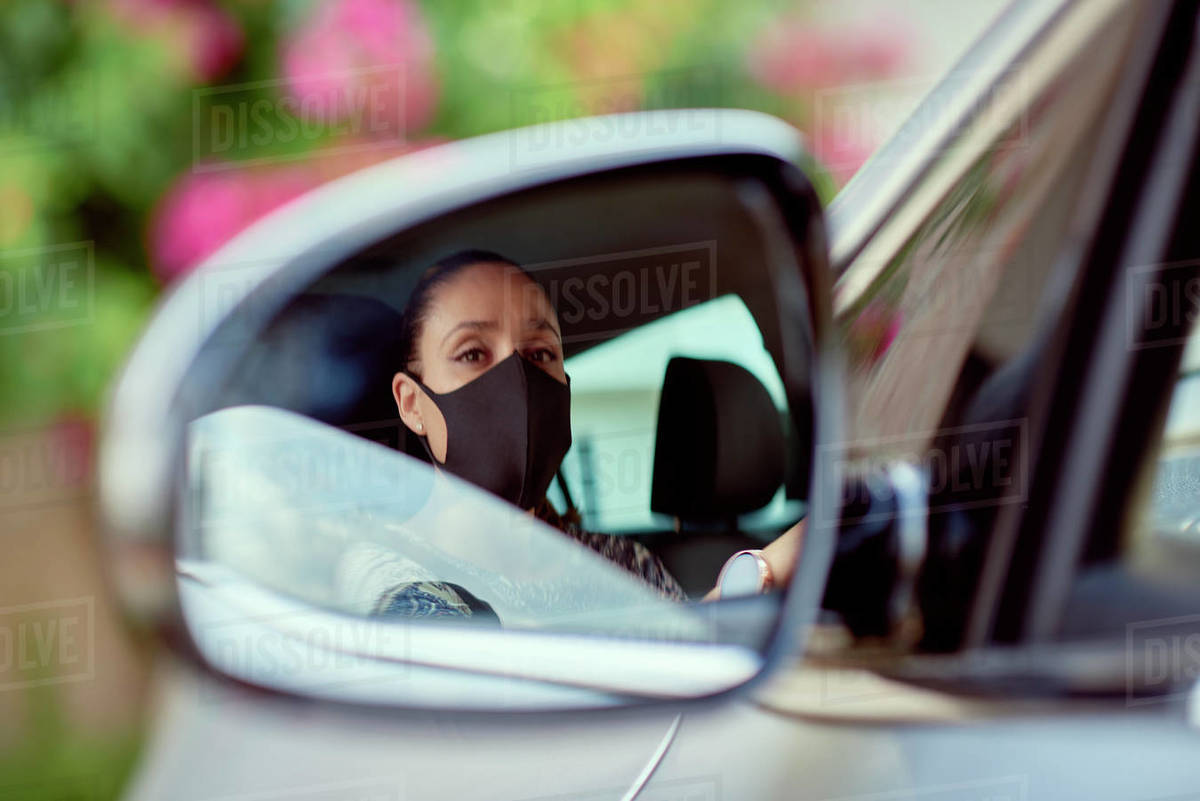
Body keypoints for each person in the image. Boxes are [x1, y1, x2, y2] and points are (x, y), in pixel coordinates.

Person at [384, 249, 802, 621]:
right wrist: (772, 565)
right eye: (472, 353)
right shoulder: (397, 583)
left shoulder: (620, 562)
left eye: (540, 354)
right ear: (411, 403)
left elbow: (691, 664)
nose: (517, 380)